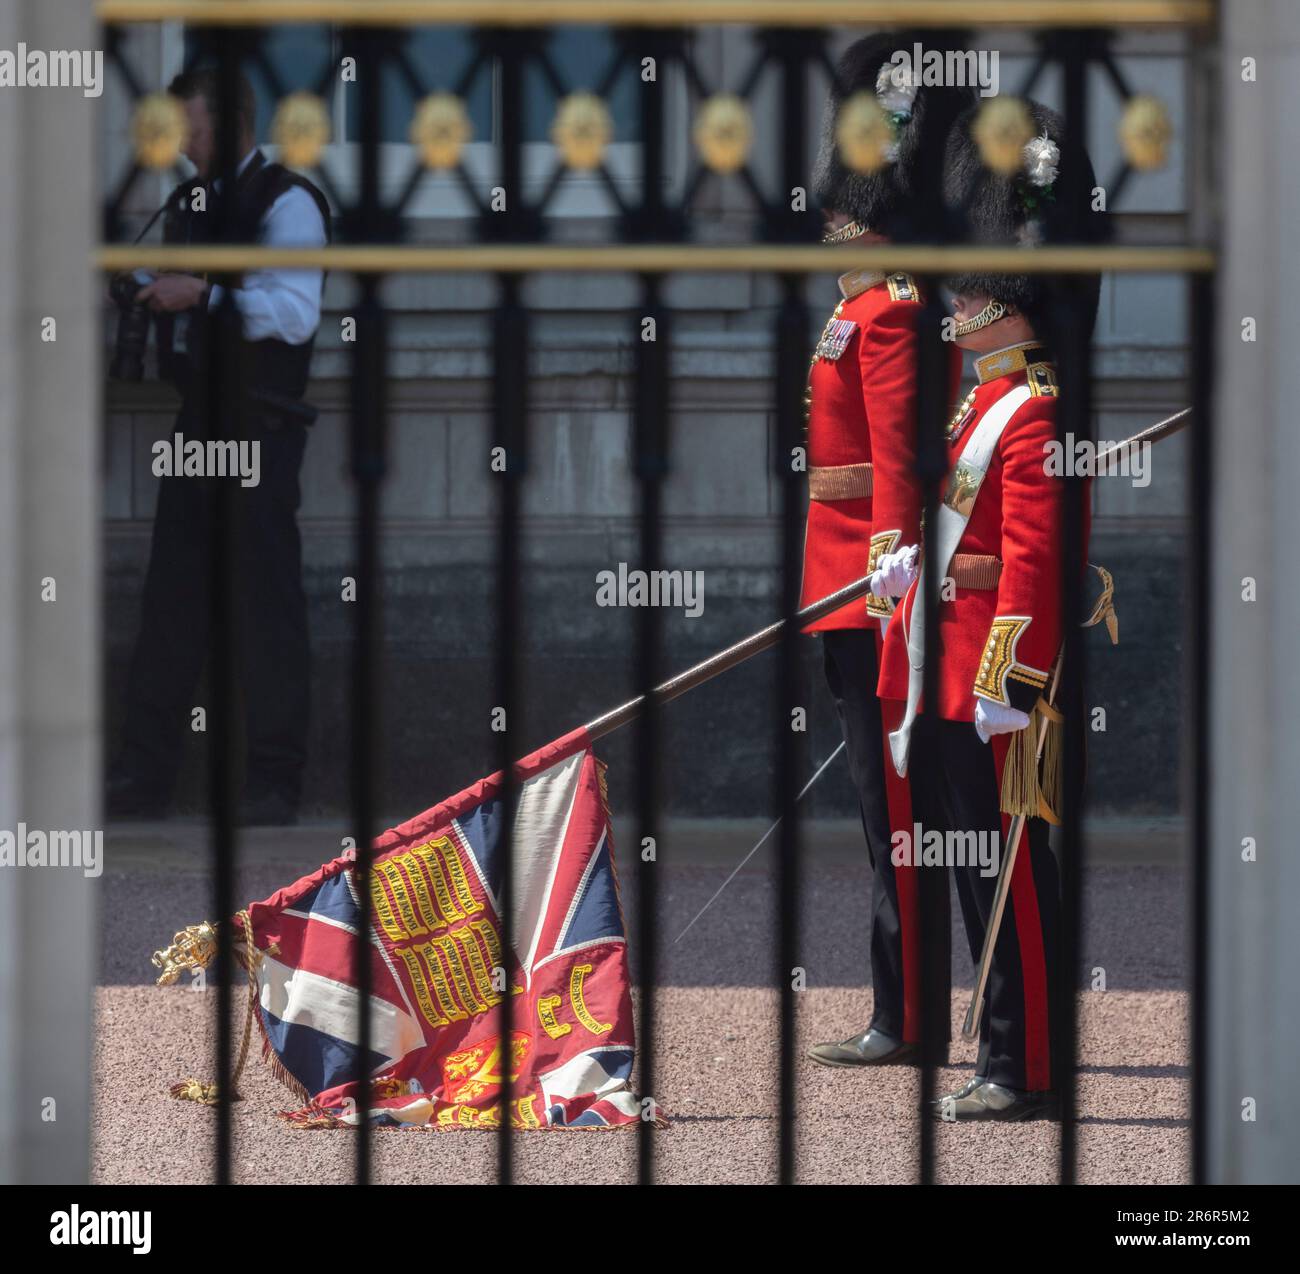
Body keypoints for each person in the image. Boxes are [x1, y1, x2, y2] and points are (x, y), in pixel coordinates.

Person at [875, 100, 1103, 1119]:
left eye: (962, 293)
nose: (947, 308)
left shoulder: (1037, 411)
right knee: (979, 870)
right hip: (948, 665)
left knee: (1015, 876)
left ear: (1002, 299)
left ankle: (1026, 1064)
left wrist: (1009, 680)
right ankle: (1000, 1054)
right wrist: (907, 567)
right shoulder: (983, 401)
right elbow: (963, 531)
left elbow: (1036, 564)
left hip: (995, 679)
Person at [802, 33, 973, 1070]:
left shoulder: (894, 311)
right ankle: (900, 1004)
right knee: (882, 817)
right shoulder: (860, 307)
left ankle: (906, 1014)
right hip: (841, 591)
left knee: (899, 814)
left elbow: (901, 471)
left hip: (878, 598)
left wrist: (888, 584)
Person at [108, 69, 330, 826]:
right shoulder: (194, 204)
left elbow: (294, 316)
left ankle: (274, 782)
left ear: (234, 123)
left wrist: (199, 294)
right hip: (199, 422)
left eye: (193, 130)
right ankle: (143, 778)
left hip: (260, 430)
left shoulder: (288, 202)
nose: (183, 145)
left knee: (265, 605)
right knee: (171, 597)